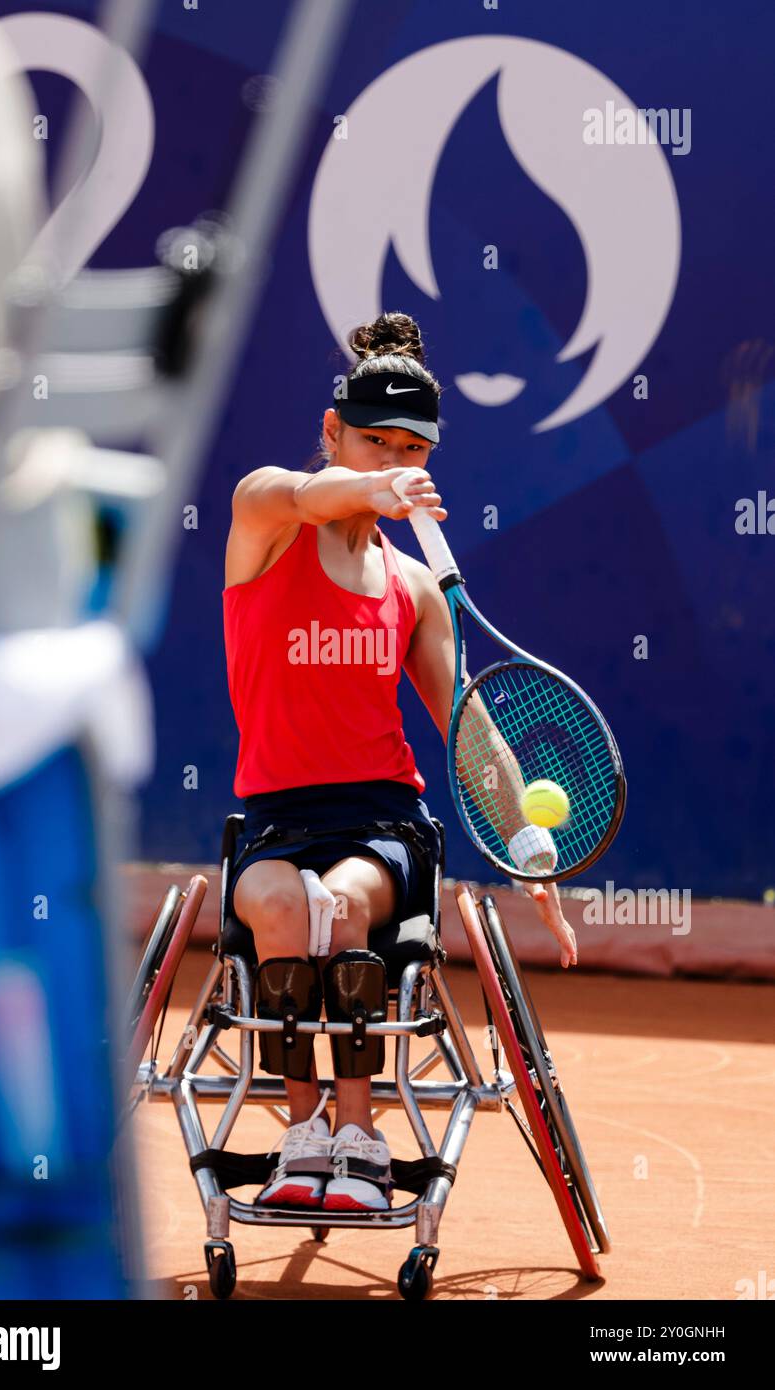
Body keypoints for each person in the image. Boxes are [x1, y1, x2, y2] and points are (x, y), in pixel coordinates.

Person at [222, 311, 577, 1213]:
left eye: (408, 449)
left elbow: (468, 726)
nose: (390, 461)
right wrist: (357, 493)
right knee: (270, 900)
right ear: (332, 431)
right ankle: (302, 1137)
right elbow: (300, 497)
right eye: (371, 441)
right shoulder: (264, 513)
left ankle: (360, 1135)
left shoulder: (415, 590)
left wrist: (528, 850)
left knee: (335, 902)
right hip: (275, 816)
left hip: (382, 824)